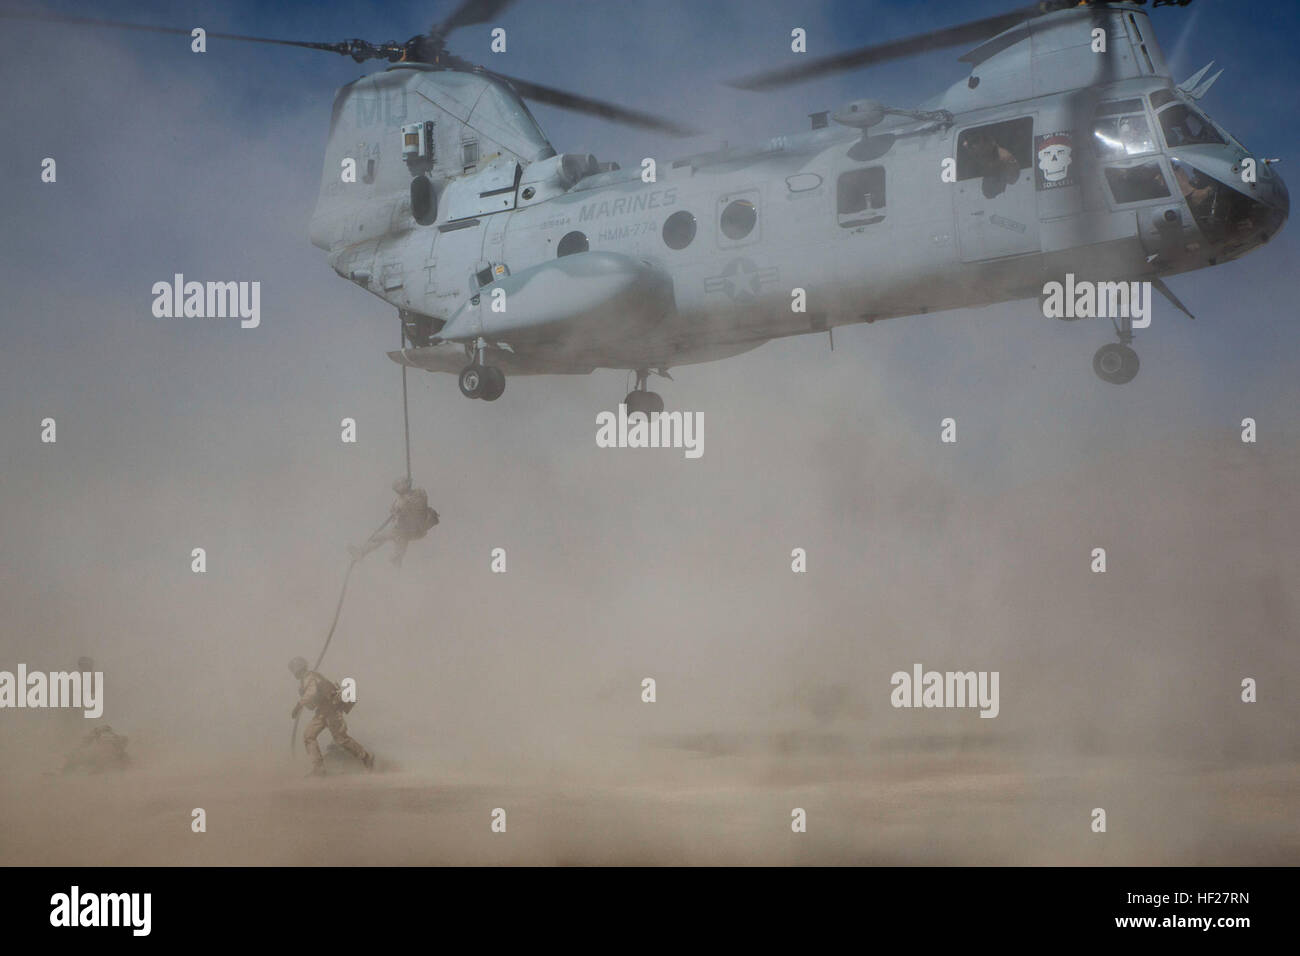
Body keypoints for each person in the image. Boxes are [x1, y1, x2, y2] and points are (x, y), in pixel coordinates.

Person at [289, 656, 374, 776]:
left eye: (296, 671)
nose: (295, 674)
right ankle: (319, 769)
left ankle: (365, 757)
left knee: (341, 739)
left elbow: (311, 693)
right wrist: (303, 699)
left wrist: (298, 705)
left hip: (332, 708)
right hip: (322, 712)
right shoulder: (306, 681)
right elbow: (312, 704)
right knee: (309, 735)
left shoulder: (311, 677)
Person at [349, 477, 439, 567]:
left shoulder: (413, 496)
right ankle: (362, 552)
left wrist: (399, 510)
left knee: (392, 545)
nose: (397, 491)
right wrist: (396, 512)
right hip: (404, 530)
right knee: (381, 540)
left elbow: (412, 507)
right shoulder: (407, 497)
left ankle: (393, 565)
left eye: (399, 487)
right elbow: (395, 512)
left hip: (409, 530)